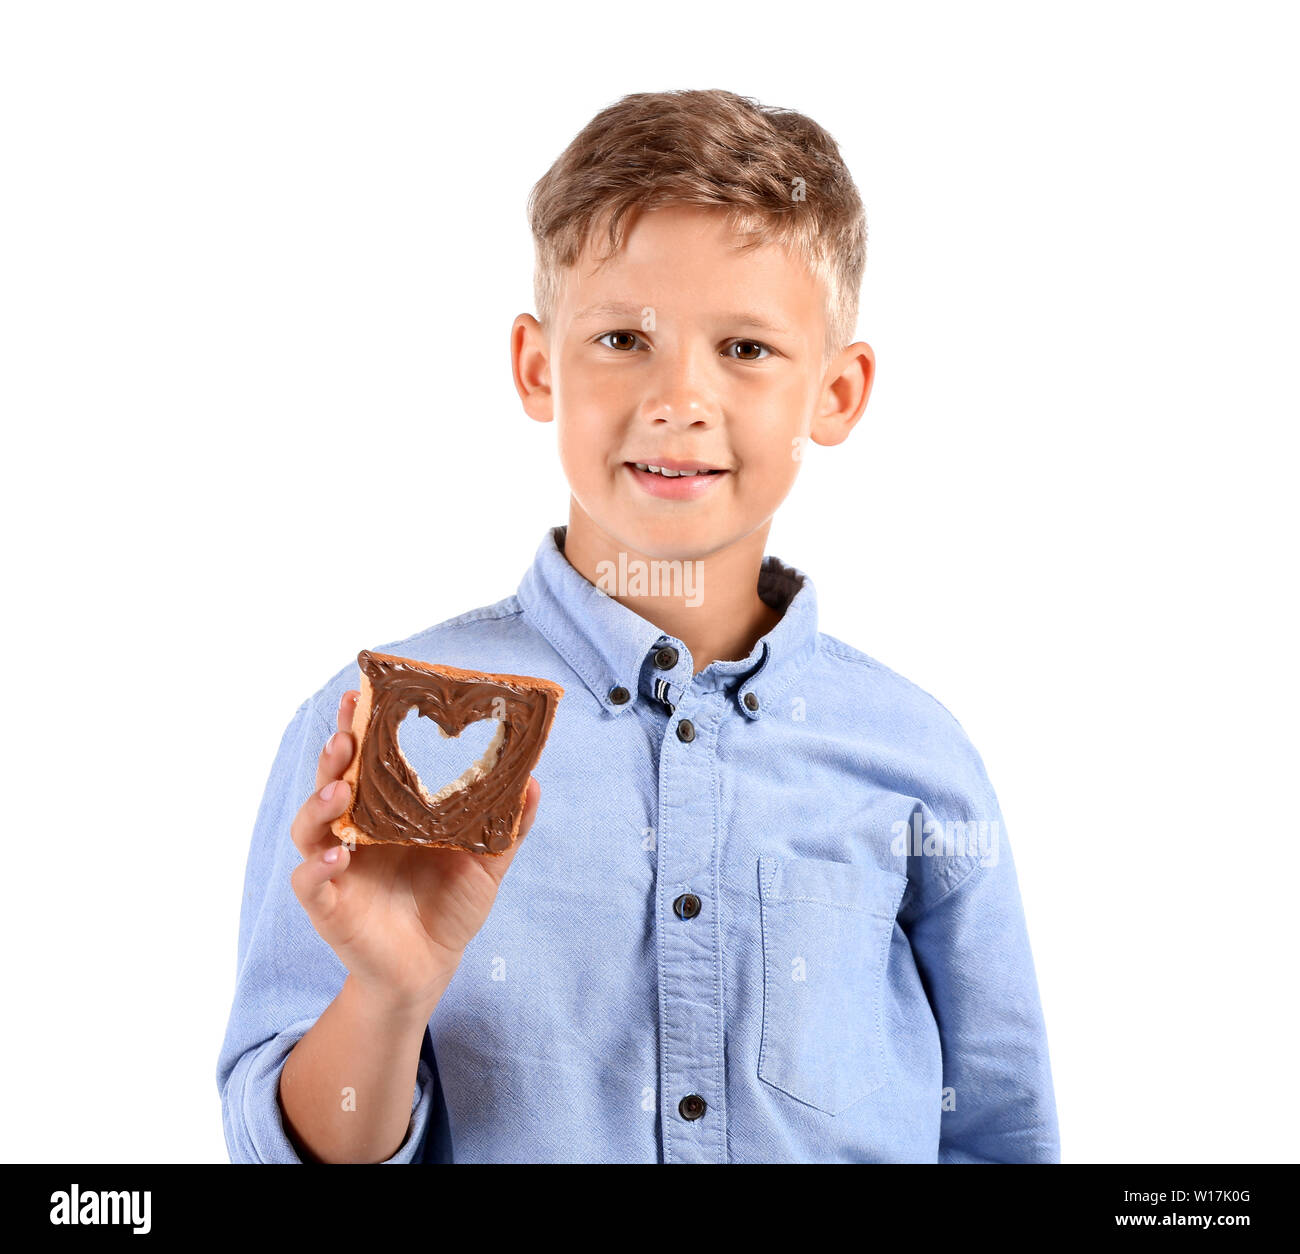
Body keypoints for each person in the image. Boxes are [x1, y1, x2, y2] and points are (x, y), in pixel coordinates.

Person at [216, 87, 1059, 1164]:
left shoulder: (915, 754)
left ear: (837, 393)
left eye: (745, 349)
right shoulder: (385, 722)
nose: (678, 398)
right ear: (537, 366)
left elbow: (997, 1131)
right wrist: (387, 992)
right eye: (622, 337)